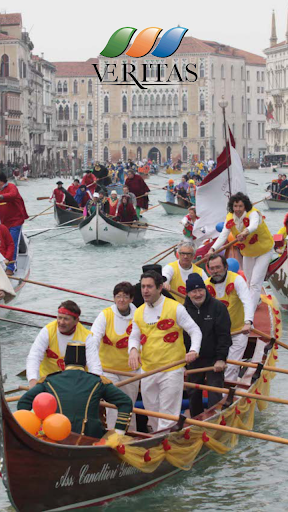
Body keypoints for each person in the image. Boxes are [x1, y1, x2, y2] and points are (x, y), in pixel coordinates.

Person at [128, 270, 202, 431]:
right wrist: (133, 350)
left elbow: (195, 331)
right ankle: (157, 438)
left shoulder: (176, 308)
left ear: (160, 287)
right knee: (152, 413)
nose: (145, 291)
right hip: (148, 370)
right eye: (143, 287)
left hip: (172, 370)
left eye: (149, 287)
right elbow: (134, 336)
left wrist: (194, 350)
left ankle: (164, 443)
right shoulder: (139, 312)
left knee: (167, 415)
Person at [19, 342, 133, 438]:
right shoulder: (99, 382)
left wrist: (38, 426)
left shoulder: (49, 381)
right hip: (91, 437)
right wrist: (119, 433)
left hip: (56, 436)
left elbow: (23, 402)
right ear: (85, 363)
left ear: (64, 363)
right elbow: (125, 402)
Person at [208, 192, 274, 314]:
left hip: (264, 250)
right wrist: (212, 249)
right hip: (248, 252)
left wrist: (245, 232)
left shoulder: (253, 213)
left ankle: (249, 315)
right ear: (232, 207)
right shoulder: (230, 217)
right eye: (235, 206)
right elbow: (223, 235)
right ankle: (253, 301)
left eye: (240, 206)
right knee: (248, 281)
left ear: (245, 207)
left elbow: (253, 225)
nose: (237, 209)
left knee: (255, 283)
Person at [88, 282, 138, 430]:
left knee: (130, 404)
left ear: (131, 299)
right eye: (118, 296)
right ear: (114, 298)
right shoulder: (105, 315)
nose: (121, 300)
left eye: (125, 296)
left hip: (131, 371)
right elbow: (94, 339)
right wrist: (94, 368)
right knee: (113, 405)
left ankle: (132, 435)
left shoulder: (139, 315)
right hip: (108, 370)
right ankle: (112, 434)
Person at [184, 273, 232, 417]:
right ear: (188, 293)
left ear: (206, 289)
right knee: (193, 392)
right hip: (193, 358)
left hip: (214, 358)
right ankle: (195, 420)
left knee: (214, 390)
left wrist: (221, 359)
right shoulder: (183, 310)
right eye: (194, 291)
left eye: (201, 290)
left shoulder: (218, 307)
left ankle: (214, 419)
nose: (198, 294)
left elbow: (224, 336)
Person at [26, 300, 102, 389]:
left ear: (76, 320)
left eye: (66, 319)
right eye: (59, 317)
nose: (61, 322)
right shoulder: (47, 331)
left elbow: (94, 364)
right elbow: (34, 357)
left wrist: (97, 386)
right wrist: (32, 381)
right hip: (49, 384)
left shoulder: (87, 337)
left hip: (75, 385)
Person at [205, 254, 254, 382]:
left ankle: (226, 395)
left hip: (238, 331)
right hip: (218, 334)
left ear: (226, 267)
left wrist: (248, 322)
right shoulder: (205, 285)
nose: (215, 271)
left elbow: (247, 301)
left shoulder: (237, 280)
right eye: (212, 268)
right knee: (216, 365)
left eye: (218, 267)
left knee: (231, 365)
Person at [162, 240, 208, 304]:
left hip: (193, 309)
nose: (185, 256)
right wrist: (165, 283)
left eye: (188, 254)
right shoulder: (170, 268)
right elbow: (165, 277)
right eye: (183, 253)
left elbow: (207, 289)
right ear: (178, 254)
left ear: (193, 256)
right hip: (174, 308)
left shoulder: (200, 272)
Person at [0, 172, 28, 274]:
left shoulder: (12, 187)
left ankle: (11, 267)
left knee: (12, 242)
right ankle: (22, 246)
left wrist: (1, 197)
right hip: (4, 222)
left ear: (1, 182)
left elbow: (12, 195)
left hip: (16, 220)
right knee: (4, 242)